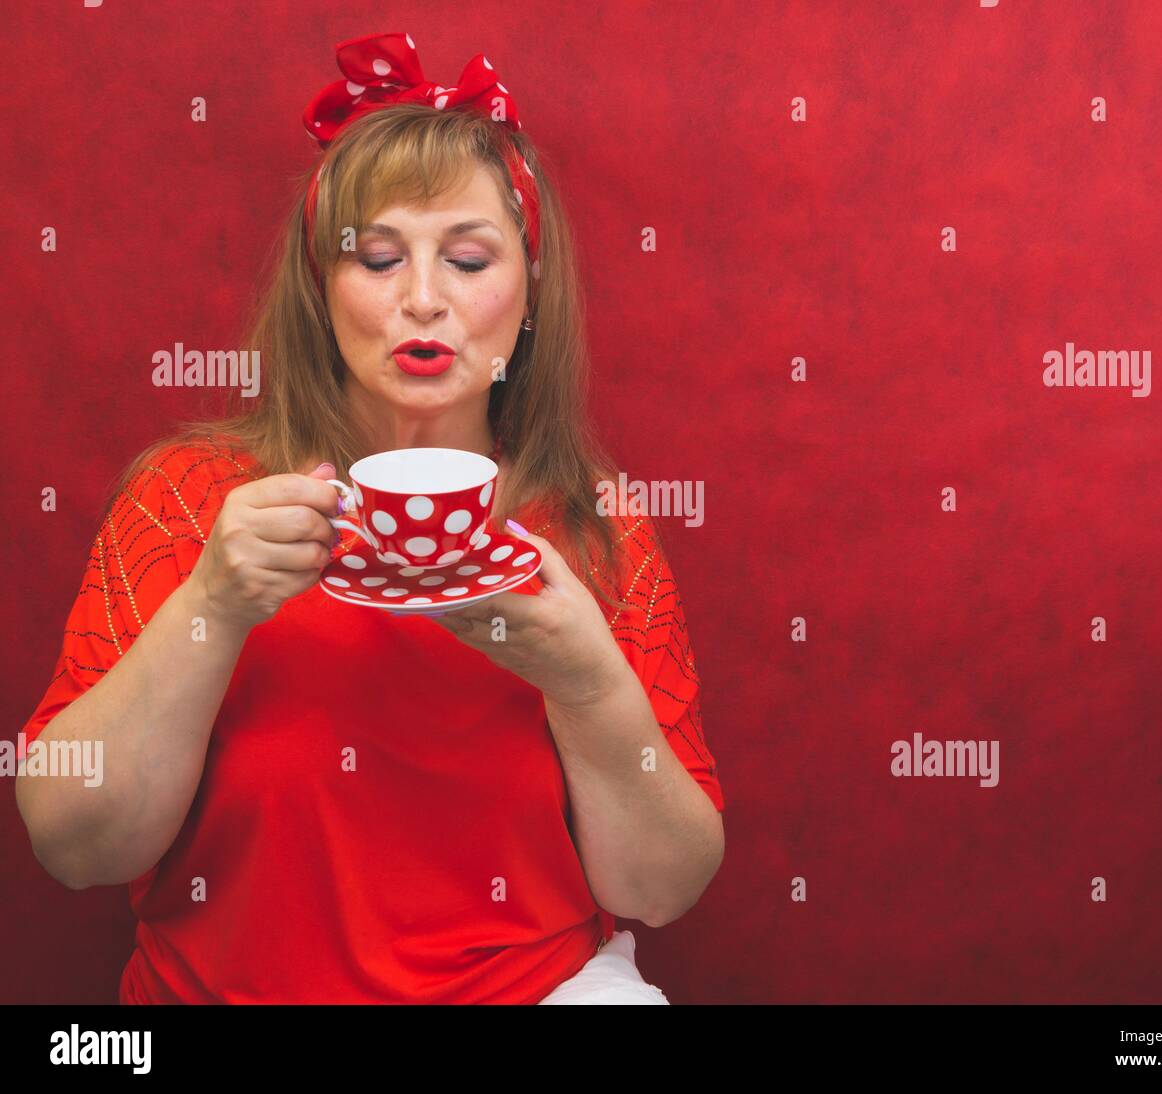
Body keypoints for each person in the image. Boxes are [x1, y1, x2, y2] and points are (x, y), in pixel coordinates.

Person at [14, 33, 724, 1005]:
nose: (422, 300)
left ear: (529, 295)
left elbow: (664, 884)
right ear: (320, 285)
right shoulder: (188, 497)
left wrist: (589, 681)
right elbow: (71, 842)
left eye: (468, 259)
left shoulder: (596, 524)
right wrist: (213, 607)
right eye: (378, 257)